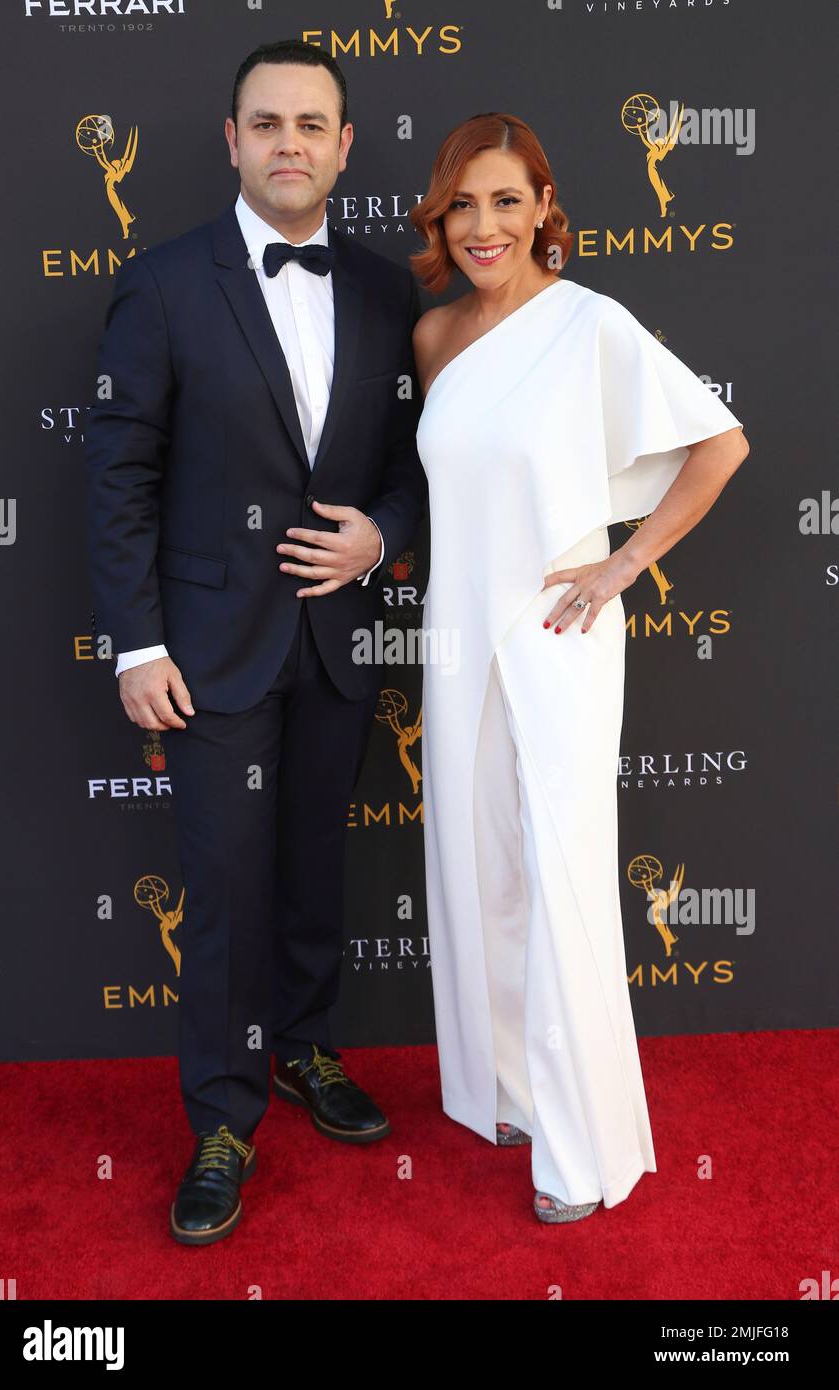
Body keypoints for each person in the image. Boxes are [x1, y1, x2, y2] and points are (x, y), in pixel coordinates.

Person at [84, 39, 426, 1246]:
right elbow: (118, 471)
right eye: (266, 122)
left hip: (337, 642)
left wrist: (376, 540)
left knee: (311, 873)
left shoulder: (392, 294)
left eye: (312, 124)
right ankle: (222, 1118)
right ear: (231, 141)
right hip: (209, 649)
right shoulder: (164, 281)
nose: (290, 142)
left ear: (343, 145)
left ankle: (303, 1049)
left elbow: (416, 472)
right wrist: (136, 646)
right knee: (224, 891)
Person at [409, 113, 749, 1223]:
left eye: (506, 200)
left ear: (543, 208)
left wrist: (623, 565)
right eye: (463, 203)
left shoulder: (590, 322)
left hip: (556, 634)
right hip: (455, 633)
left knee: (553, 873)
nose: (483, 225)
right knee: (474, 862)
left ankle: (575, 1148)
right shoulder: (434, 337)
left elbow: (718, 444)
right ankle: (505, 1085)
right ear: (441, 215)